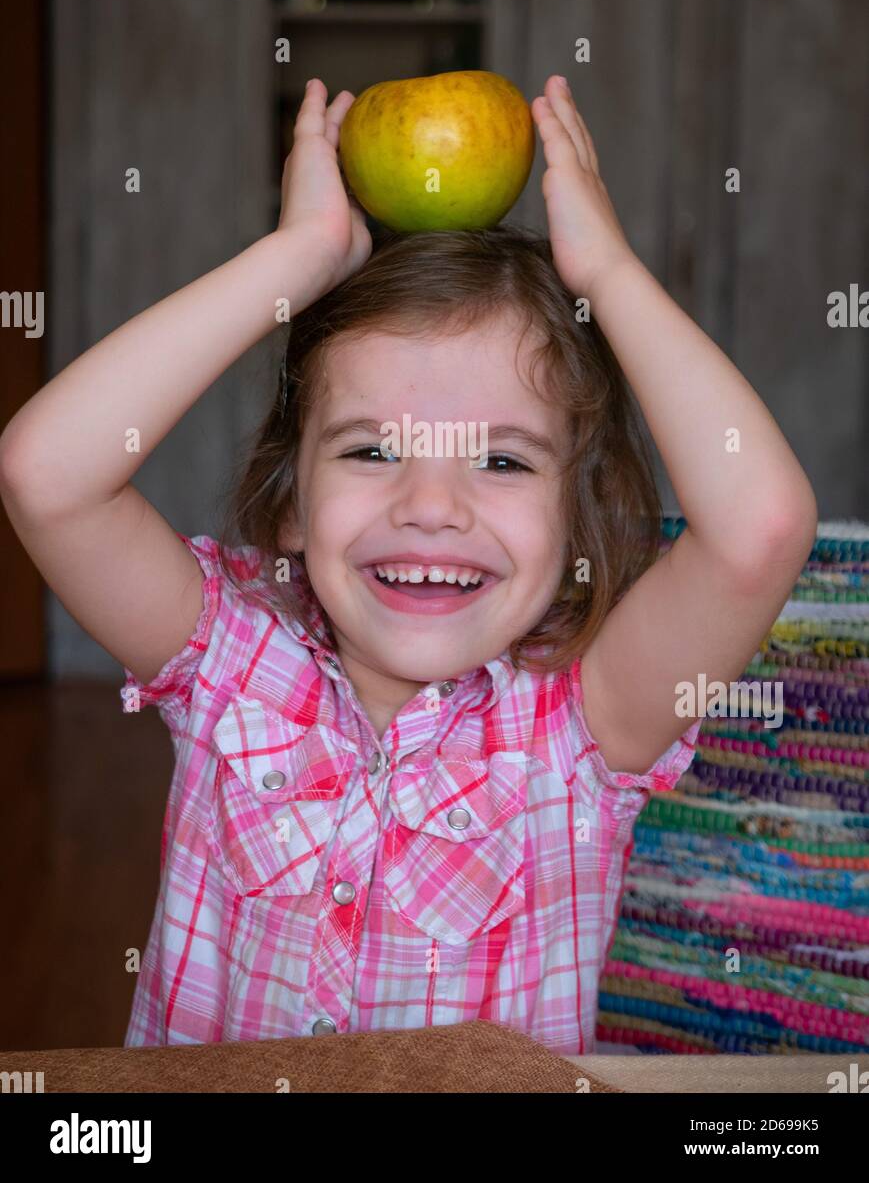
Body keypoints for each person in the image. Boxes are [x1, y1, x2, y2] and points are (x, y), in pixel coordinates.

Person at [0, 76, 817, 1052]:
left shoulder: (585, 722)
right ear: (293, 501)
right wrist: (292, 260)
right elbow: (44, 474)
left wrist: (608, 274)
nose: (430, 506)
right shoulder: (229, 657)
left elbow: (759, 526)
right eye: (371, 449)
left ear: (571, 517)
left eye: (501, 459)